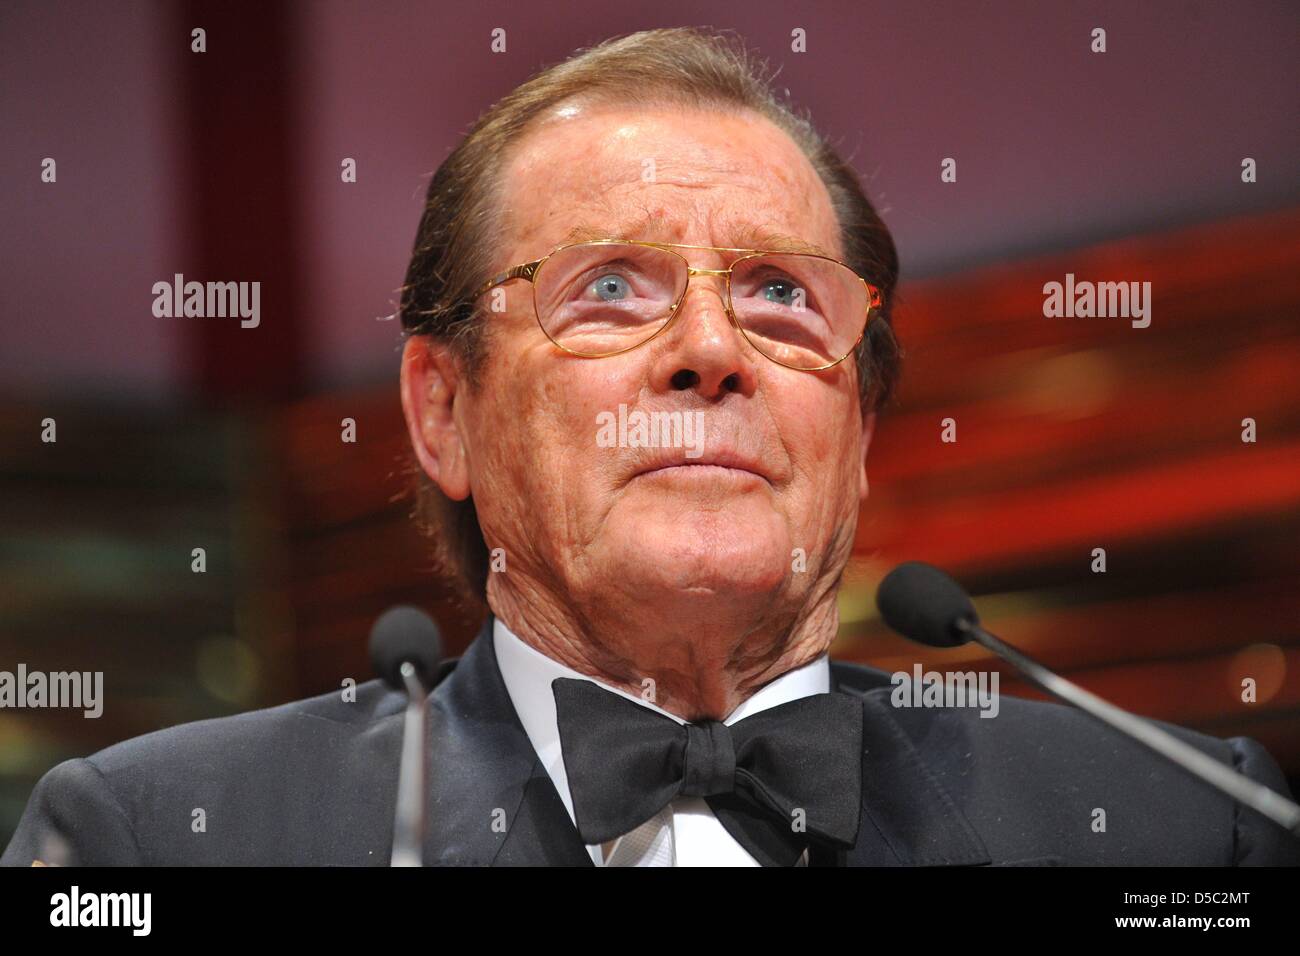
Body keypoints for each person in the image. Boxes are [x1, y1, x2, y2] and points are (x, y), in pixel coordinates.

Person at [4, 27, 1297, 867]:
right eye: (608, 289)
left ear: (857, 434)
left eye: (782, 295)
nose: (711, 349)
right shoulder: (163, 843)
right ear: (442, 411)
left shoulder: (1179, 832)